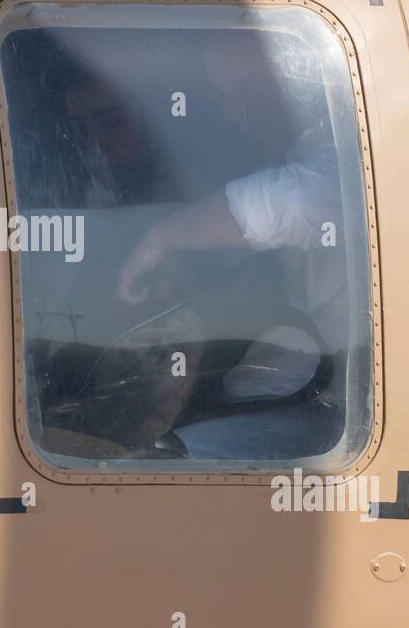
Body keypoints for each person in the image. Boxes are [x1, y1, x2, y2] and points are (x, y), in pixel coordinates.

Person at [117, 31, 347, 403]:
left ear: (296, 83)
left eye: (247, 88)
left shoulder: (337, 160)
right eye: (224, 93)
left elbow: (290, 203)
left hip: (339, 396)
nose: (231, 111)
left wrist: (161, 239)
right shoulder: (299, 157)